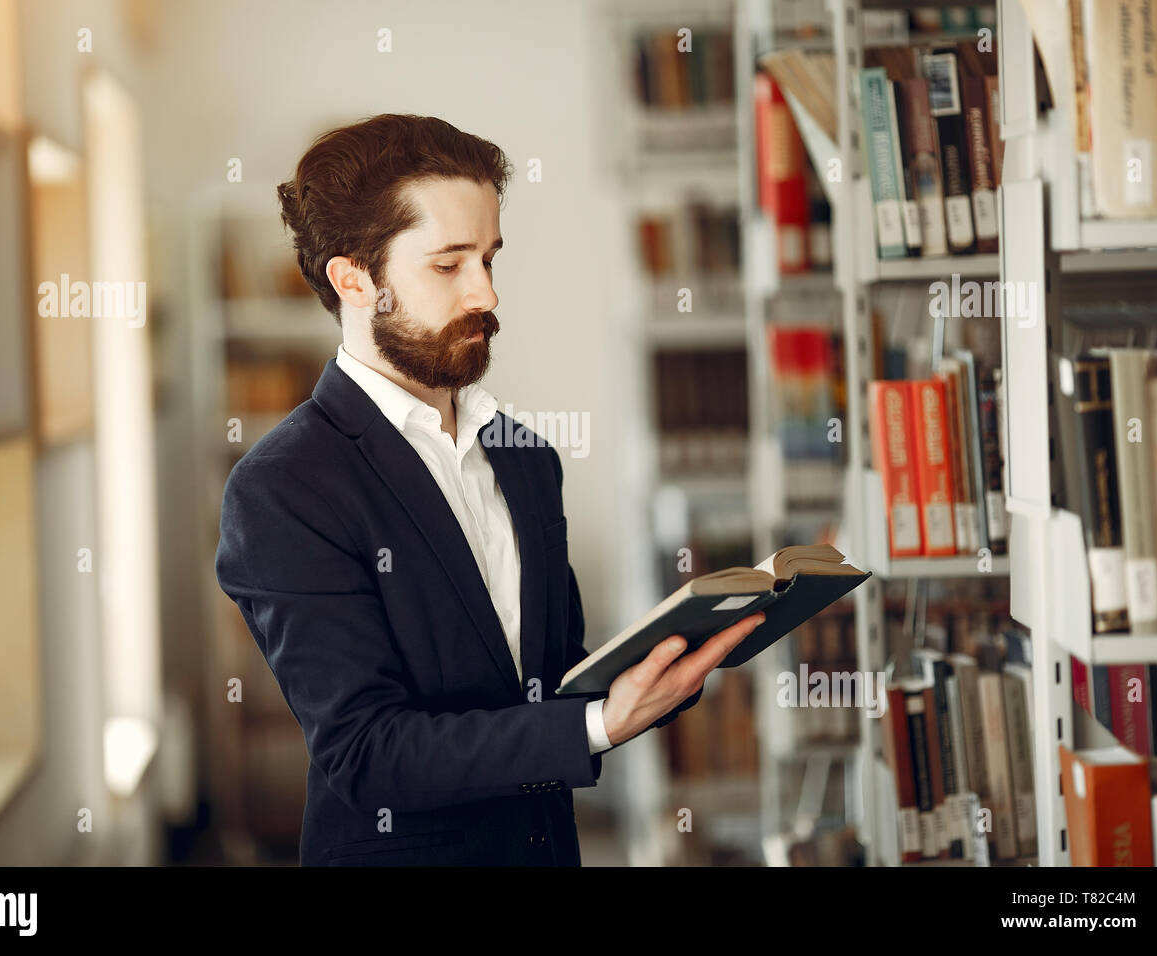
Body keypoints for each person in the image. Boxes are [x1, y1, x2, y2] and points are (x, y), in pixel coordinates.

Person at [215, 113, 764, 866]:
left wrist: (659, 669)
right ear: (354, 281)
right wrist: (597, 726)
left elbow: (548, 683)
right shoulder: (282, 489)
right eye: (449, 266)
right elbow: (368, 754)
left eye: (489, 258)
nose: (487, 296)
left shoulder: (525, 458)